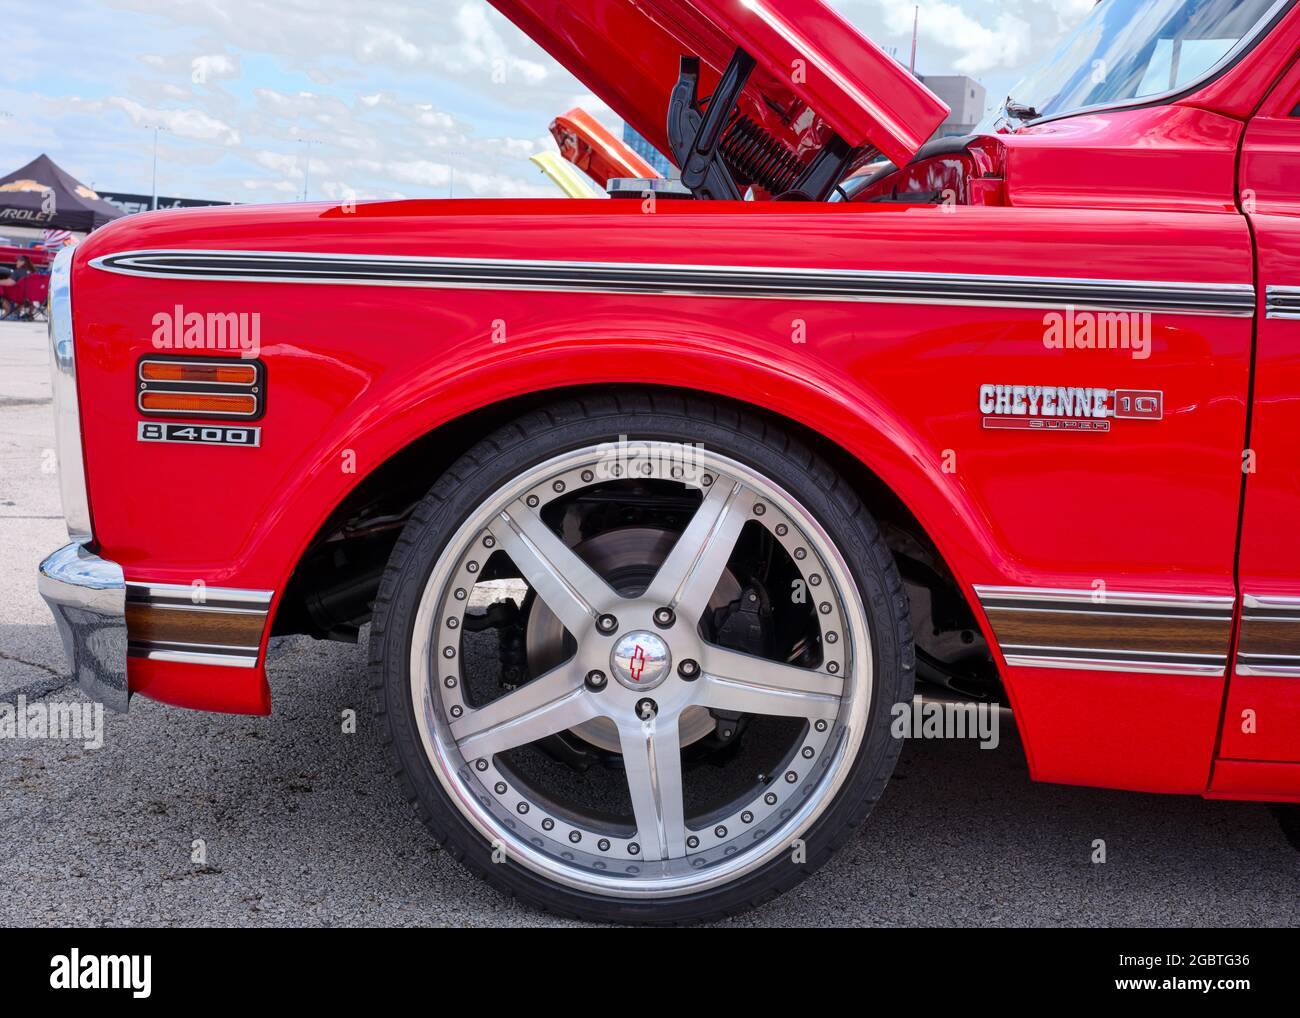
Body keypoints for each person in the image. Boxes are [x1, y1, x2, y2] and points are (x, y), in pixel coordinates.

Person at [0, 256, 35, 320]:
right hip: (31, 297)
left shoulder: (18, 271)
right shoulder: (33, 272)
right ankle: (25, 313)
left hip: (18, 296)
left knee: (1, 291)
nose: (16, 262)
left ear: (23, 262)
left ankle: (8, 311)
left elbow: (10, 282)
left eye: (18, 261)